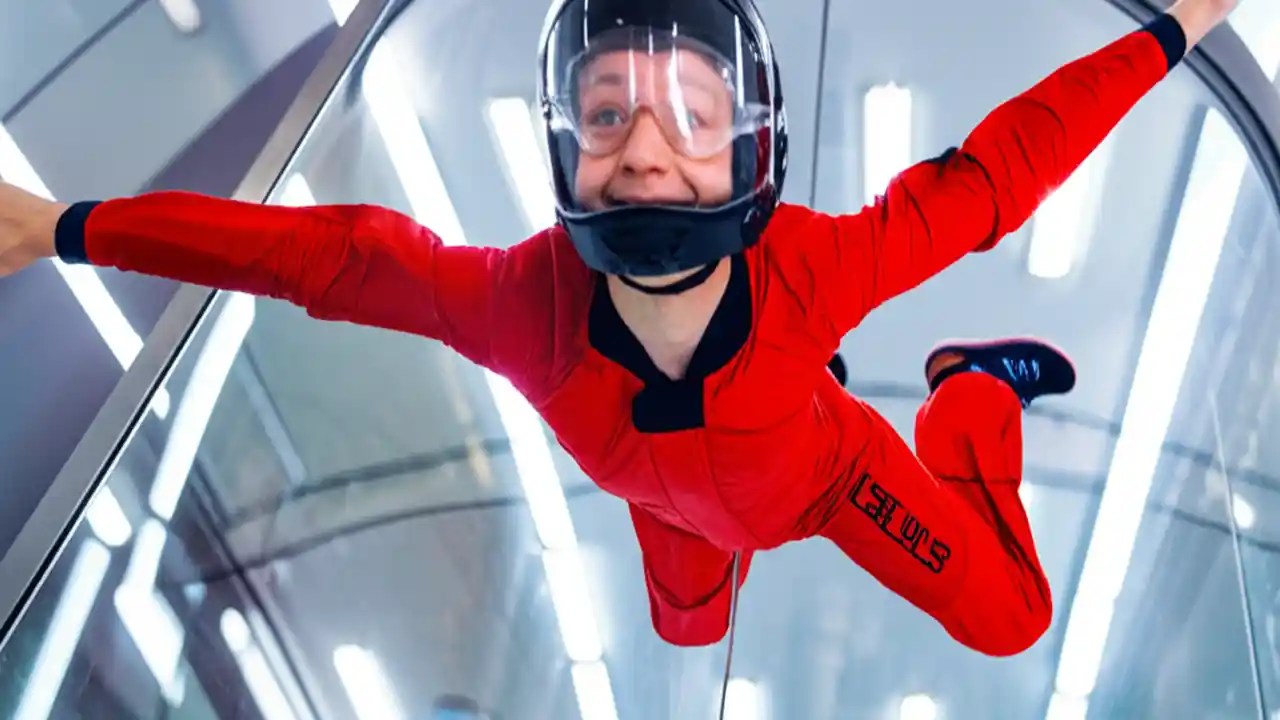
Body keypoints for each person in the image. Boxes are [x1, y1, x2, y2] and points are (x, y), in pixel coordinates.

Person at [0, 0, 1240, 656]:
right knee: (686, 630)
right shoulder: (514, 304)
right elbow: (313, 257)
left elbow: (998, 170)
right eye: (605, 115)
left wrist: (1173, 28)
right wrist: (63, 226)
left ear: (749, 146)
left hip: (823, 479)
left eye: (691, 116)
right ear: (563, 144)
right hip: (671, 507)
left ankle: (969, 390)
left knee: (1010, 621)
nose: (644, 150)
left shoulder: (815, 268)